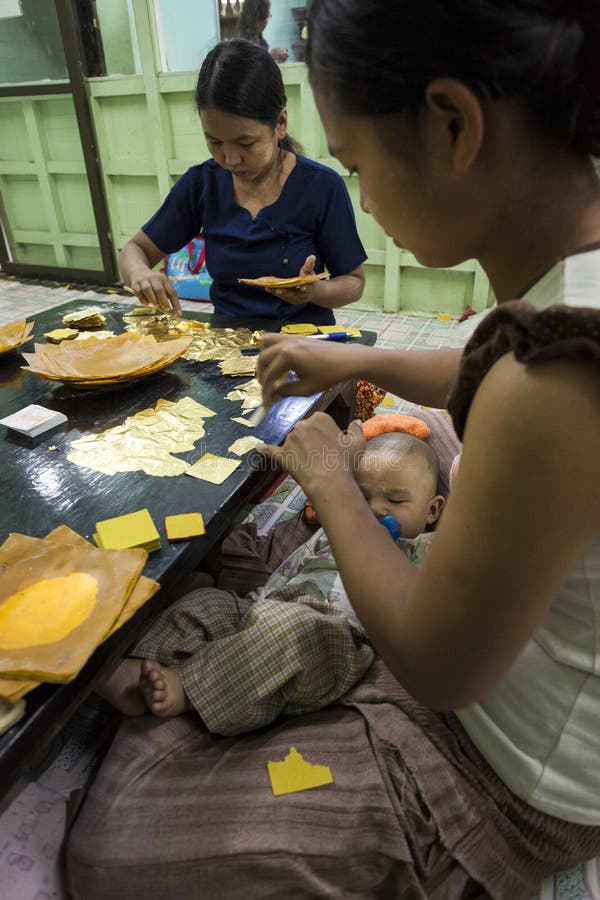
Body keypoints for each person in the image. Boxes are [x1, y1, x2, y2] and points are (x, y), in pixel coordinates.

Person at [66, 3, 600, 898]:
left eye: (357, 164)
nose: (360, 195)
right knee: (250, 584)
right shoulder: (563, 301)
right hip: (512, 670)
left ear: (453, 125)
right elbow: (485, 356)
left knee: (112, 842)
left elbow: (435, 666)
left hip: (520, 774)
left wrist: (328, 477)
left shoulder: (551, 387)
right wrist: (353, 355)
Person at [99, 432, 445, 735]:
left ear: (432, 511)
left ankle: (185, 687)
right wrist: (253, 602)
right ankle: (137, 665)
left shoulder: (422, 550)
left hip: (339, 638)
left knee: (287, 633)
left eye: (396, 501)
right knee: (206, 600)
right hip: (276, 607)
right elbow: (292, 567)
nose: (374, 509)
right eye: (362, 495)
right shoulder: (339, 528)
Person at [118, 39, 365, 322]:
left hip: (304, 345)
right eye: (214, 141)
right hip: (227, 343)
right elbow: (134, 250)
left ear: (280, 123)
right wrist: (140, 273)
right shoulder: (201, 184)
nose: (230, 159)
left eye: (246, 143)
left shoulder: (321, 187)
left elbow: (354, 282)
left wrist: (315, 292)